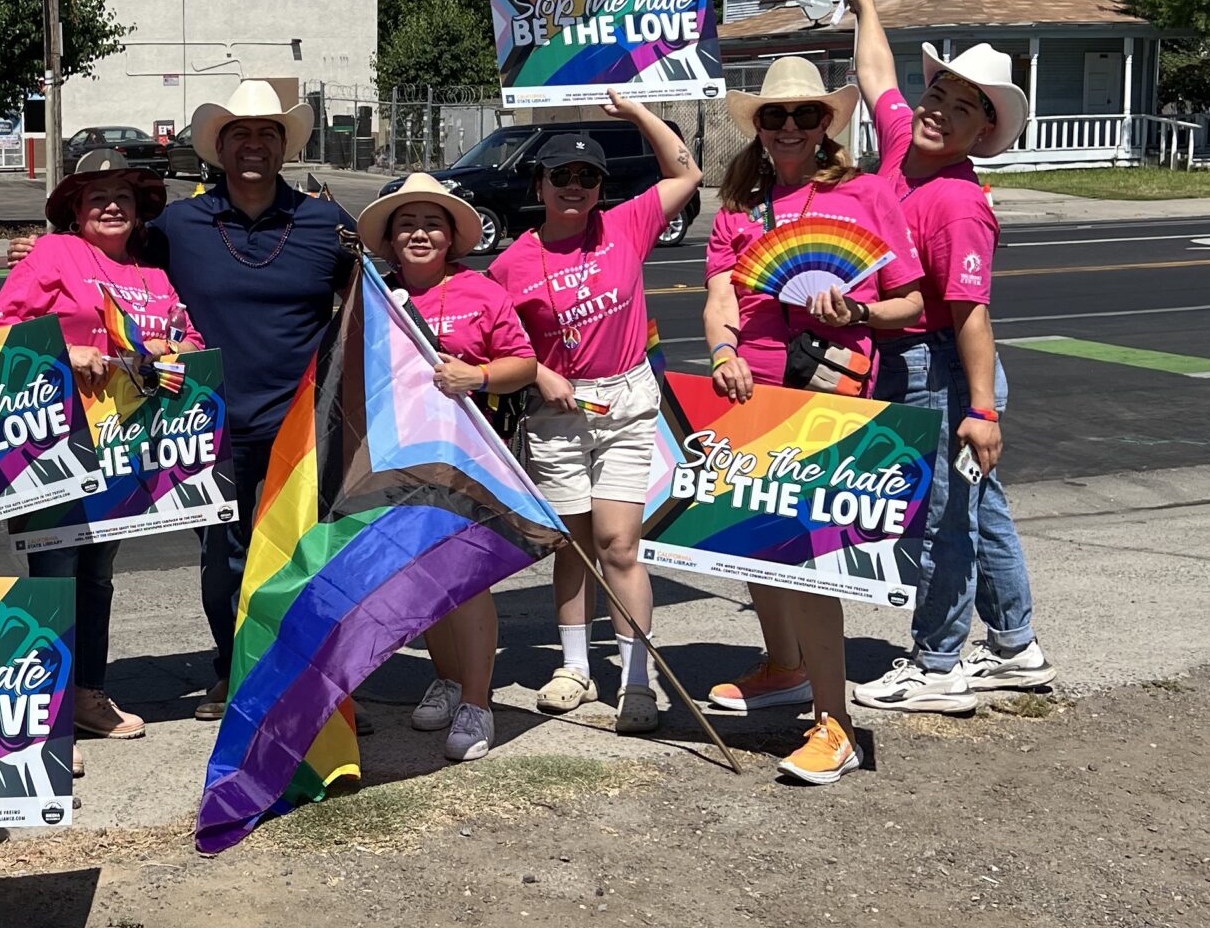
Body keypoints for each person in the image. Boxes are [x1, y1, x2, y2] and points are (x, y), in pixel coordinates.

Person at [700, 60, 926, 785]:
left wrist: (858, 311)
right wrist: (723, 348)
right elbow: (719, 297)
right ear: (758, 126)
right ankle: (784, 667)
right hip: (749, 391)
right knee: (754, 546)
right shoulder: (740, 206)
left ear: (827, 122)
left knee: (816, 561)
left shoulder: (864, 195)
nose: (790, 128)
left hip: (833, 391)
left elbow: (911, 305)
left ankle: (837, 725)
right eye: (775, 116)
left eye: (804, 115)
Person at [840, 0, 1049, 714]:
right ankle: (1017, 647)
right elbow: (875, 77)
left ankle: (936, 666)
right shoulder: (900, 146)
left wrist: (983, 410)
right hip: (916, 360)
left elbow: (972, 317)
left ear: (979, 134)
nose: (938, 112)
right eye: (941, 95)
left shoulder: (959, 203)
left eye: (963, 108)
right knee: (979, 511)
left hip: (945, 369)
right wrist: (867, 6)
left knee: (937, 519)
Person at [485, 96, 702, 736]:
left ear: (602, 189)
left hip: (628, 404)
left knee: (619, 544)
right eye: (562, 177)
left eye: (588, 178)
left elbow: (685, 175)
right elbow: (498, 341)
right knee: (574, 546)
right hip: (557, 413)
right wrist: (539, 371)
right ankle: (574, 668)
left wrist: (636, 113)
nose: (574, 188)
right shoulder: (511, 263)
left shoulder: (627, 226)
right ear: (540, 185)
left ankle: (637, 681)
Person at [151, 80, 357, 721]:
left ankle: (319, 683)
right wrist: (34, 250)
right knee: (226, 556)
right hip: (210, 425)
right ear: (218, 146)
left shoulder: (326, 222)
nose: (253, 145)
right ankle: (235, 671)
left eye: (267, 133)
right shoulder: (177, 225)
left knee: (309, 552)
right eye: (240, 132)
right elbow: (106, 268)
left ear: (283, 146)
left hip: (306, 425)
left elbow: (375, 302)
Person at [0, 149, 203, 745]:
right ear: (75, 211)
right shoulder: (54, 253)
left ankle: (87, 695)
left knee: (99, 573)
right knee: (54, 568)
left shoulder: (154, 278)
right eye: (96, 198)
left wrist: (176, 355)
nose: (111, 206)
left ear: (138, 215)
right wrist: (64, 349)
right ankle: (43, 715)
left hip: (125, 449)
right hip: (54, 440)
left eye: (123, 199)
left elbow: (188, 341)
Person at [357, 174, 539, 761]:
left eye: (431, 223)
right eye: (406, 223)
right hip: (400, 458)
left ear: (451, 236)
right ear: (388, 238)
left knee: (466, 581)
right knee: (423, 578)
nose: (419, 233)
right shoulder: (372, 296)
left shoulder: (482, 292)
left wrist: (478, 376)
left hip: (469, 458)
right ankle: (450, 677)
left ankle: (478, 703)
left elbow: (525, 364)